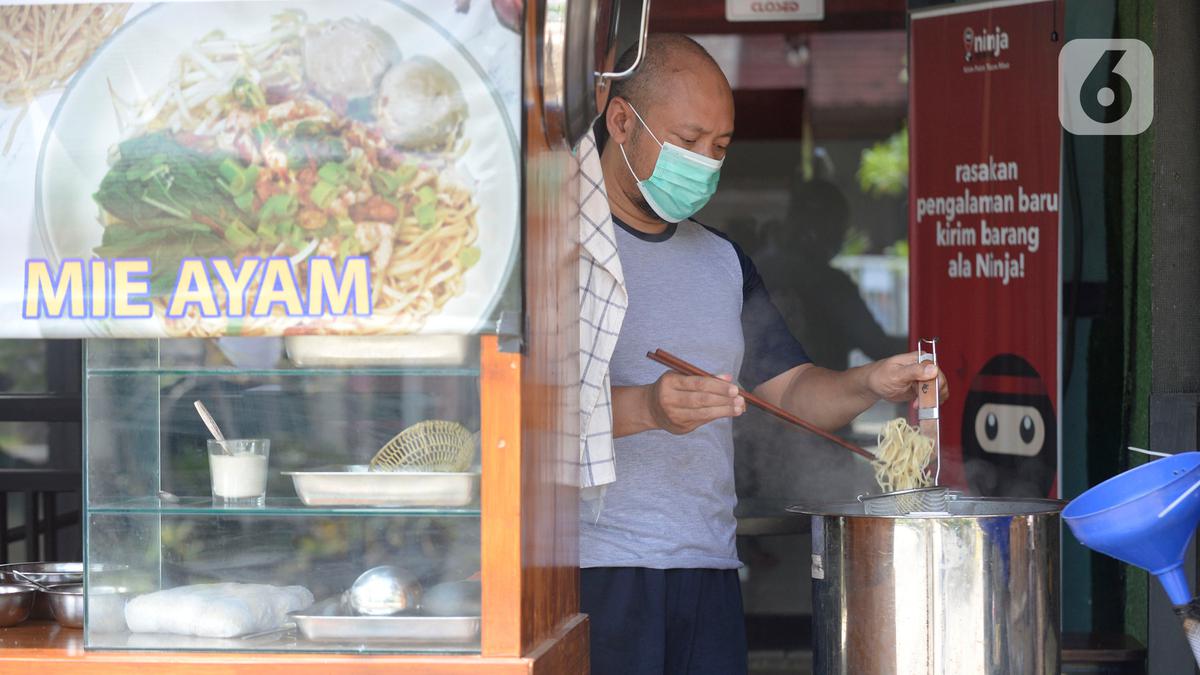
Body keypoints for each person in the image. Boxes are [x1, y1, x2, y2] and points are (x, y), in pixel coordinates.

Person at [577, 34, 948, 675]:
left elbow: (792, 391)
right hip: (590, 568)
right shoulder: (558, 245)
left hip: (709, 567)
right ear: (620, 121)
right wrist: (648, 407)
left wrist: (871, 381)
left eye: (718, 148)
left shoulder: (723, 261)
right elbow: (516, 414)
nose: (704, 163)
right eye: (687, 141)